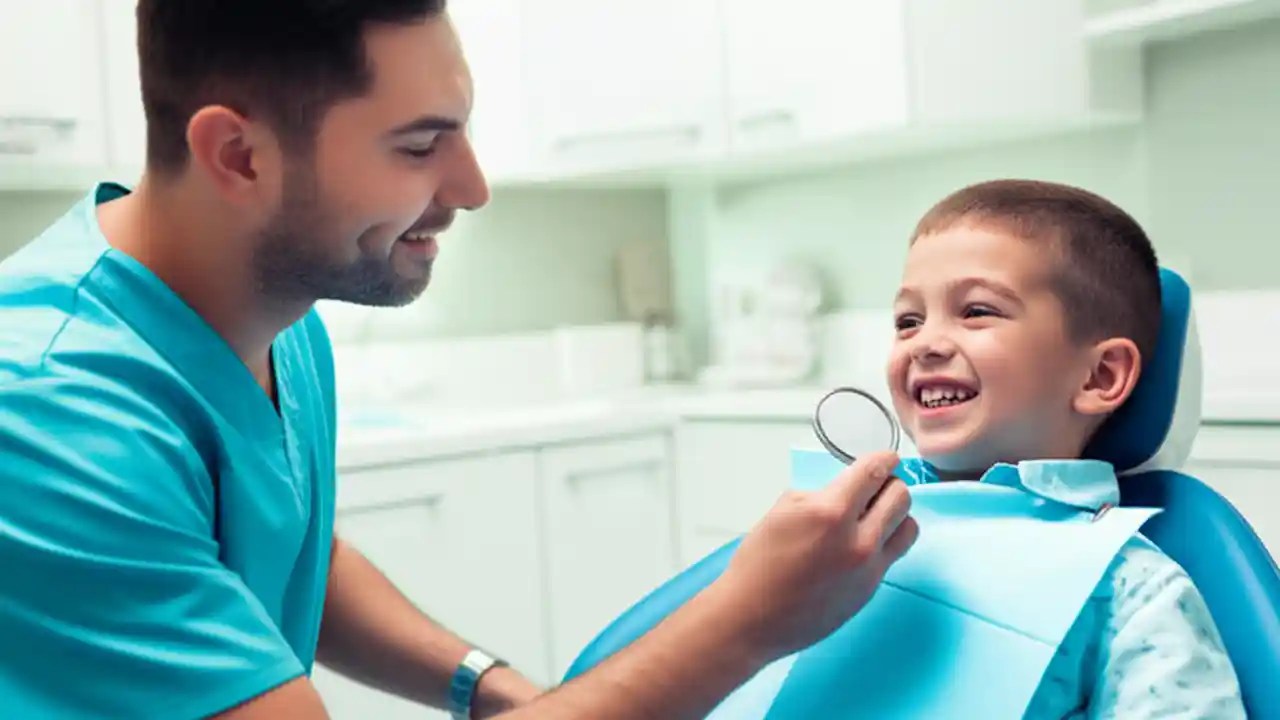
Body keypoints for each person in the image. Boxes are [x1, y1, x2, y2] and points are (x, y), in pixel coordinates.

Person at [0, 2, 919, 719]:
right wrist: (750, 618)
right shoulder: (49, 412)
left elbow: (281, 550)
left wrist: (487, 686)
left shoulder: (275, 313)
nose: (471, 188)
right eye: (418, 145)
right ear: (239, 156)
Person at [887, 178, 1246, 718]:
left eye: (978, 311)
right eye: (908, 321)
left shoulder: (1126, 591)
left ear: (1099, 376)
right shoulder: (858, 534)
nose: (925, 343)